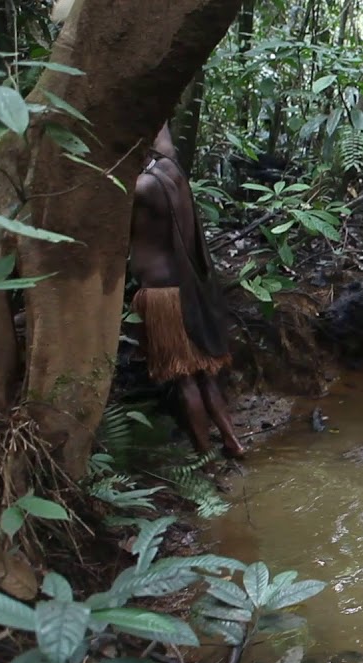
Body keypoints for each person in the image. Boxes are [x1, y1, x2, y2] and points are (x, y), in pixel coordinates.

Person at [129, 124, 245, 459]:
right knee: (205, 372)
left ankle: (205, 458)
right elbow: (162, 133)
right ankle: (231, 441)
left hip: (163, 296)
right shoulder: (171, 168)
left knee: (184, 379)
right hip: (193, 289)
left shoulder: (138, 188)